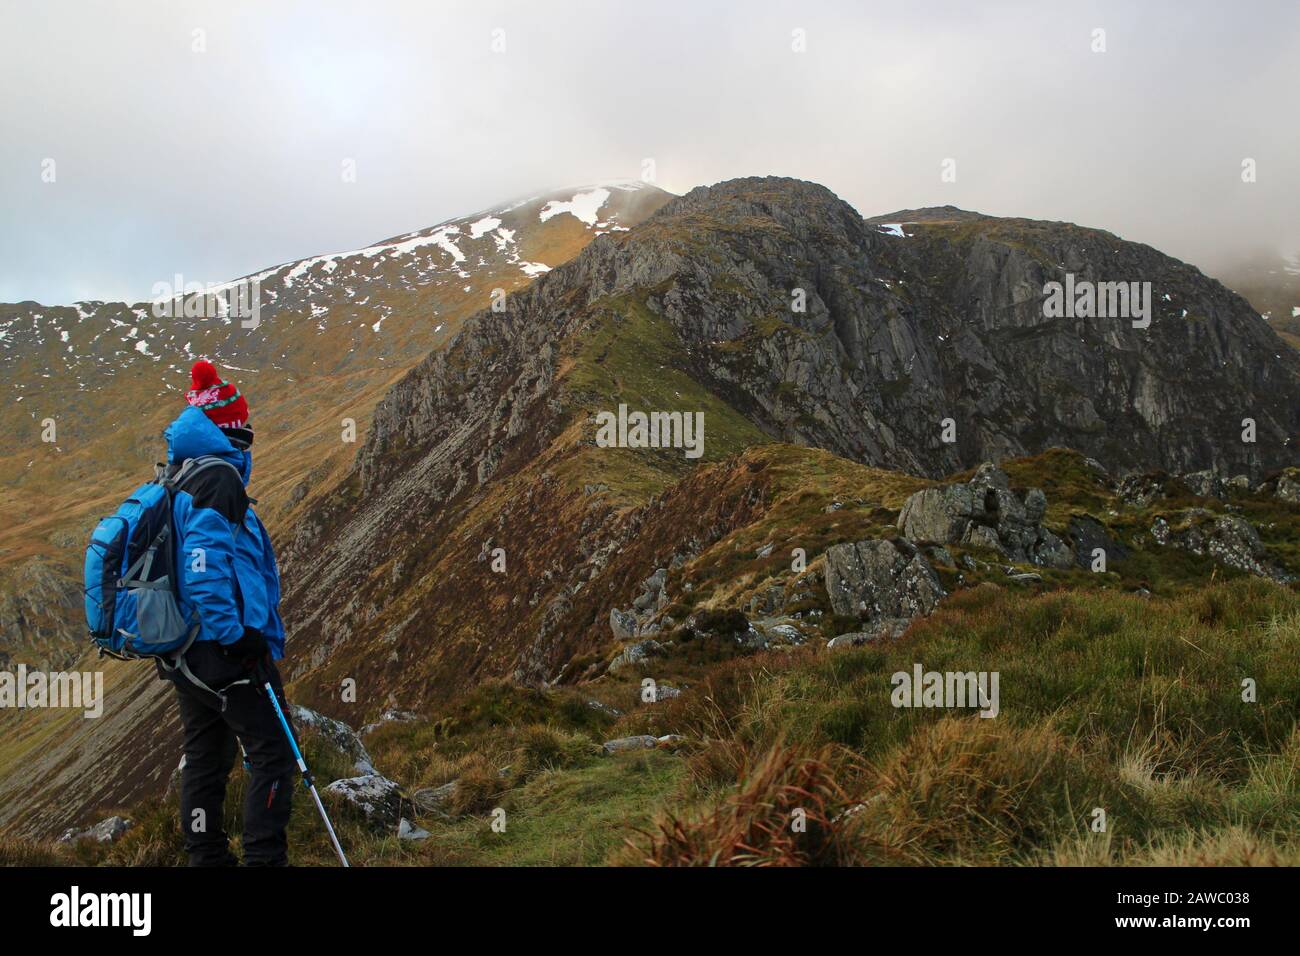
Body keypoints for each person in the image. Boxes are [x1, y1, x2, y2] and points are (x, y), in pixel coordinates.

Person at [158, 359, 294, 866]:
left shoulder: (181, 472)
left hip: (187, 649)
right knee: (273, 756)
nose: (249, 443)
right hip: (223, 651)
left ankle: (207, 857)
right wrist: (237, 637)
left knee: (205, 759)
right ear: (230, 430)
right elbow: (203, 567)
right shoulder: (217, 479)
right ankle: (264, 859)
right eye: (245, 431)